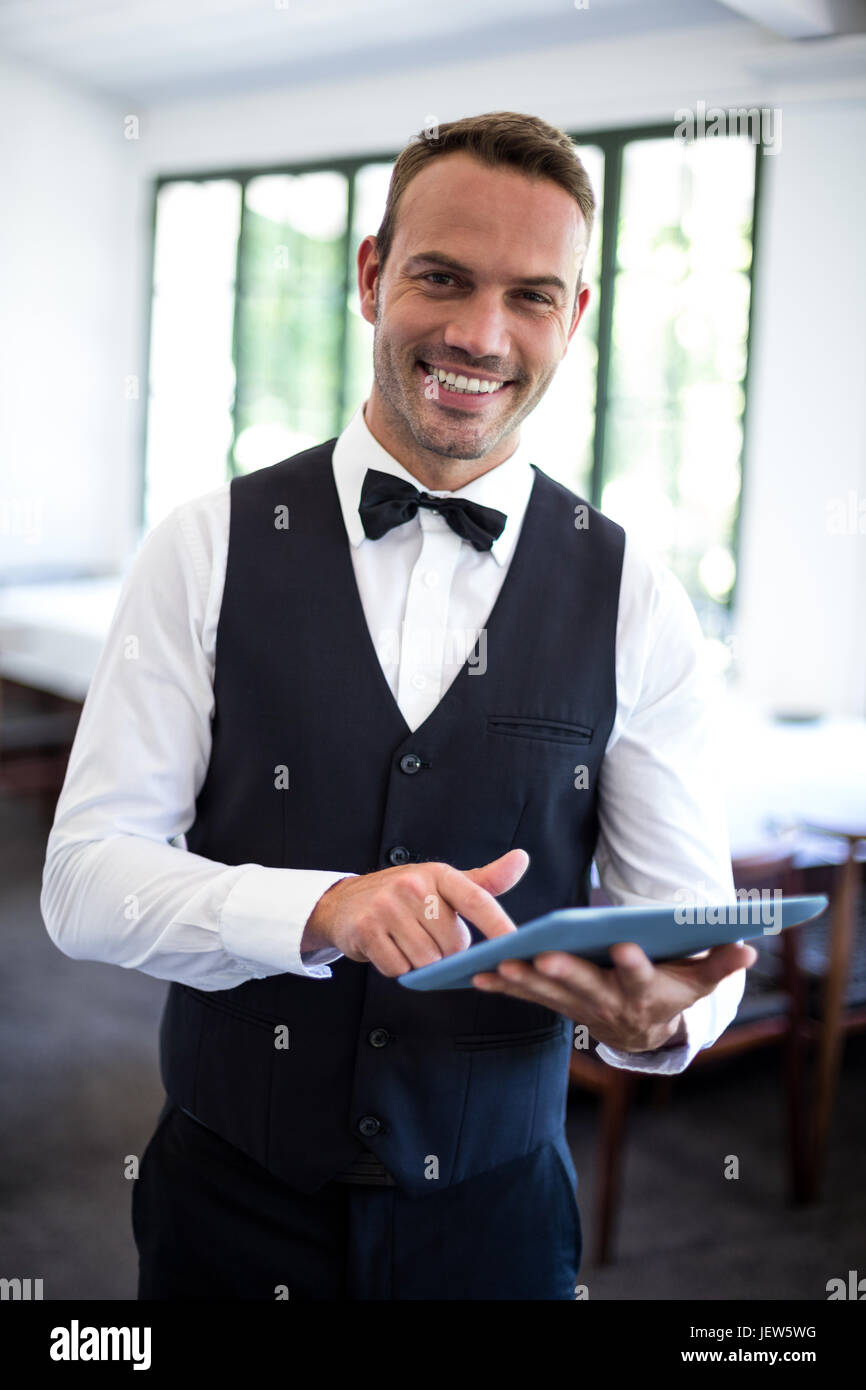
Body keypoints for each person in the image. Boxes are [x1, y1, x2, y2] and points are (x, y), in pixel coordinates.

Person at [41, 110, 756, 1301]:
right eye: (442, 277)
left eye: (531, 295)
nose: (479, 334)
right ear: (372, 276)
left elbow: (685, 928)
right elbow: (81, 880)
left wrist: (663, 1017)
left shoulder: (635, 594)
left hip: (496, 1226)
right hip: (226, 1205)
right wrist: (320, 908)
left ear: (573, 318)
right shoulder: (207, 543)